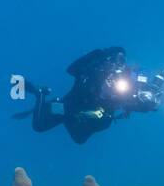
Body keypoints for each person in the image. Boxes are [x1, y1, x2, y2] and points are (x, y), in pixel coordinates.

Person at [16, 47, 145, 144]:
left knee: (80, 140)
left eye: (123, 61)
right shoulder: (93, 72)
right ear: (108, 59)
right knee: (38, 126)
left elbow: (132, 101)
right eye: (117, 59)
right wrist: (97, 54)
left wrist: (143, 103)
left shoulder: (124, 81)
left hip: (87, 117)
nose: (119, 64)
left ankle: (52, 106)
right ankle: (40, 93)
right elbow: (71, 70)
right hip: (69, 108)